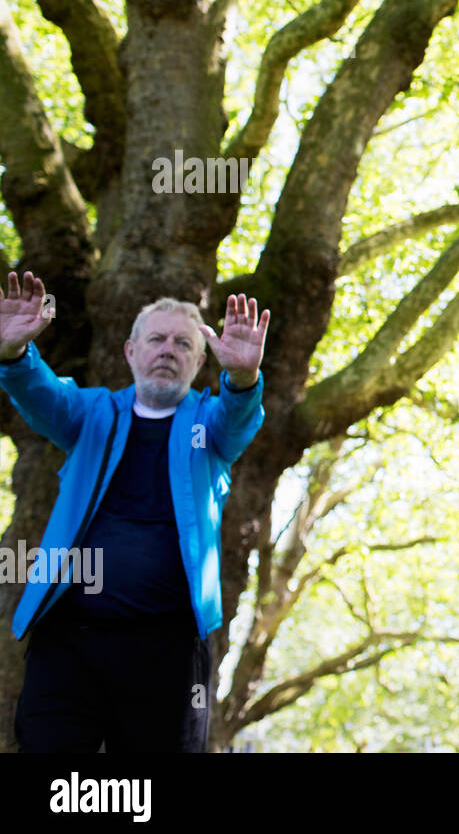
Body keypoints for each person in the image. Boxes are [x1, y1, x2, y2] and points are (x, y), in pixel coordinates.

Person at [0, 271, 269, 752]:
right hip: (67, 643)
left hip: (168, 651)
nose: (168, 350)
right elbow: (43, 396)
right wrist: (15, 355)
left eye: (184, 344)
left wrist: (244, 378)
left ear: (201, 360)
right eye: (157, 339)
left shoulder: (208, 426)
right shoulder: (92, 413)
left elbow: (239, 419)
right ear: (130, 351)